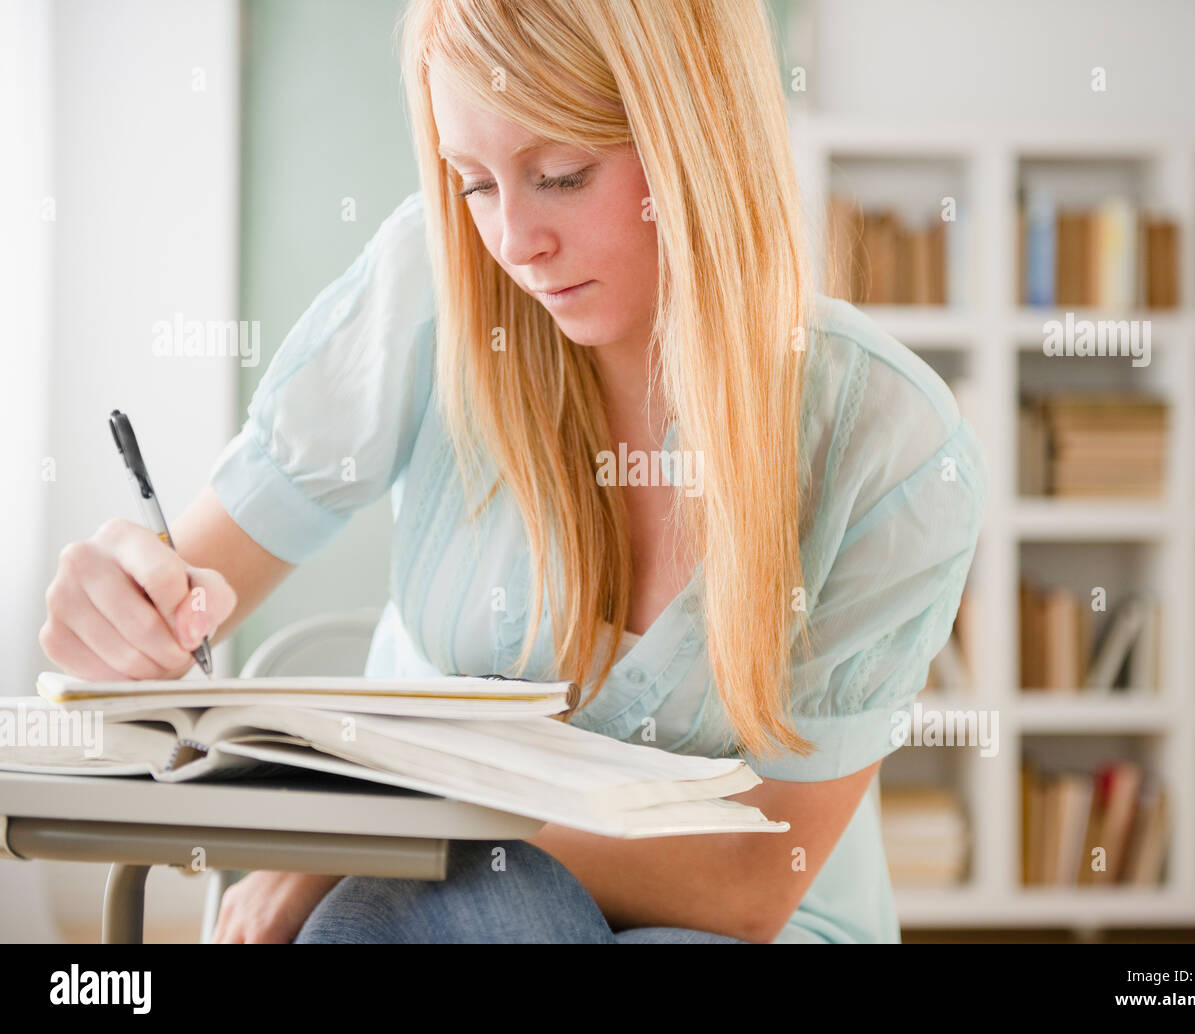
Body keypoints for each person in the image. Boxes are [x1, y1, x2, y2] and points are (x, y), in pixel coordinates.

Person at [39, 0, 988, 944]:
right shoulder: (437, 283)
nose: (513, 243)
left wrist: (354, 840)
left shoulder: (891, 445)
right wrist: (131, 613)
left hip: (738, 925)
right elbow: (192, 597)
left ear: (697, 137)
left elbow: (746, 884)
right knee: (452, 910)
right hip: (438, 893)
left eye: (562, 176)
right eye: (474, 183)